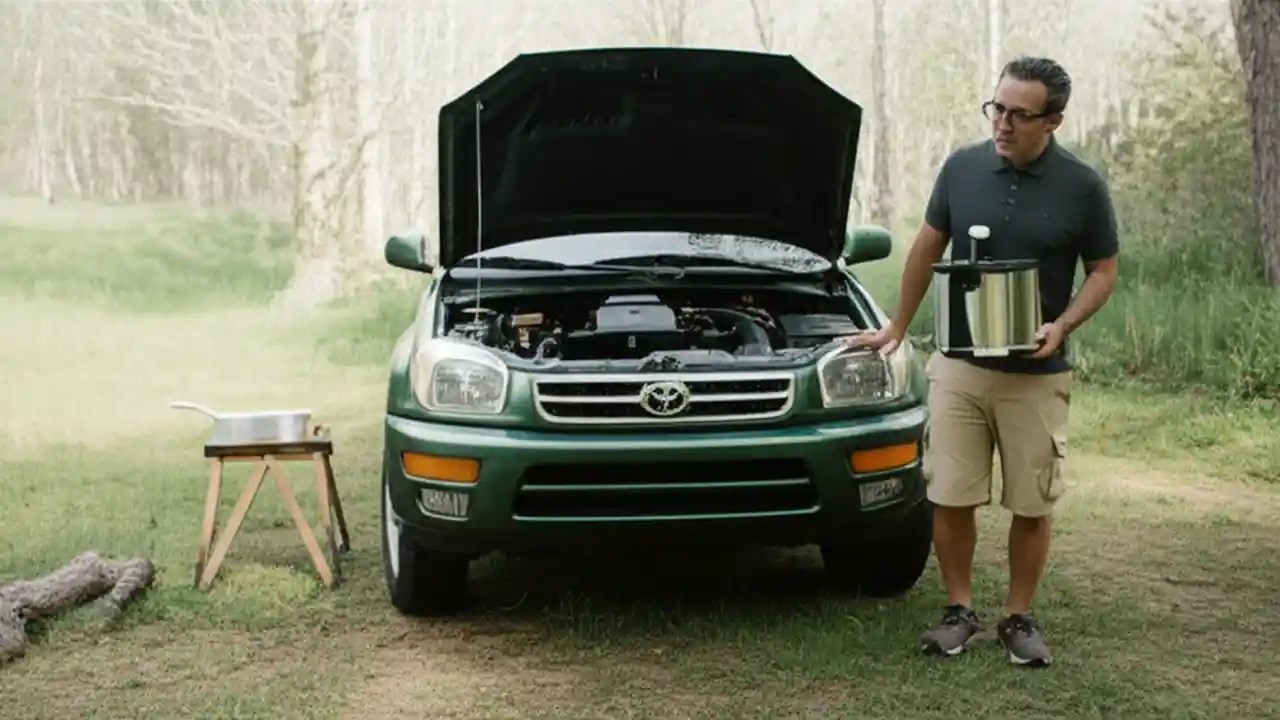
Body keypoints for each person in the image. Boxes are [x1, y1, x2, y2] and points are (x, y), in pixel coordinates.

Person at [852, 56, 1119, 667]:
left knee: (1032, 502)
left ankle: (1018, 618)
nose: (1003, 123)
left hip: (1037, 374)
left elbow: (1103, 271)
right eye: (997, 108)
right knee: (950, 494)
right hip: (959, 368)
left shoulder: (1083, 186)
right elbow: (926, 248)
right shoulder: (962, 167)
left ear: (1052, 121)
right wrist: (896, 325)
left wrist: (1063, 325)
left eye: (1020, 114)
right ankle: (958, 611)